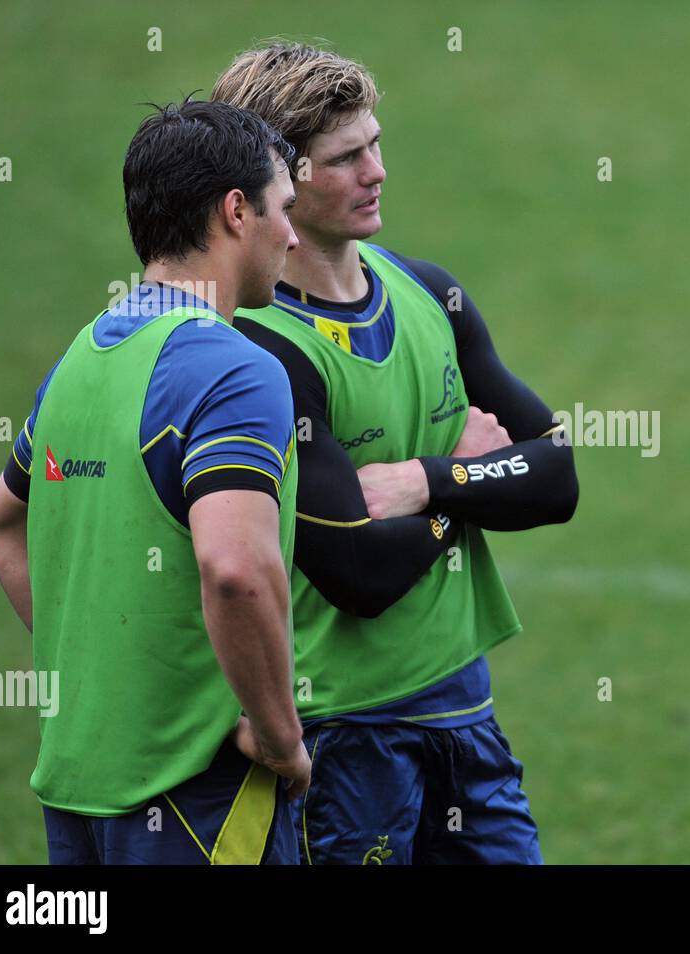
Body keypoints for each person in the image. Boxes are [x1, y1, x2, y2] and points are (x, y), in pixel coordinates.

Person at [211, 43, 578, 865]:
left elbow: (557, 476)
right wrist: (474, 481)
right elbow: (359, 574)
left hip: (463, 711)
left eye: (375, 143)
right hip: (343, 731)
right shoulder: (263, 351)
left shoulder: (428, 293)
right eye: (347, 158)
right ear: (281, 181)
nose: (377, 171)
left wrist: (426, 480)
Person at [0, 100, 310, 864]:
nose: (293, 235)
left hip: (77, 797)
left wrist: (97, 680)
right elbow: (235, 571)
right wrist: (278, 733)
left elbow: (2, 525)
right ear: (236, 211)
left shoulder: (81, 358)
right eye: (283, 209)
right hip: (196, 800)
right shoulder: (236, 369)